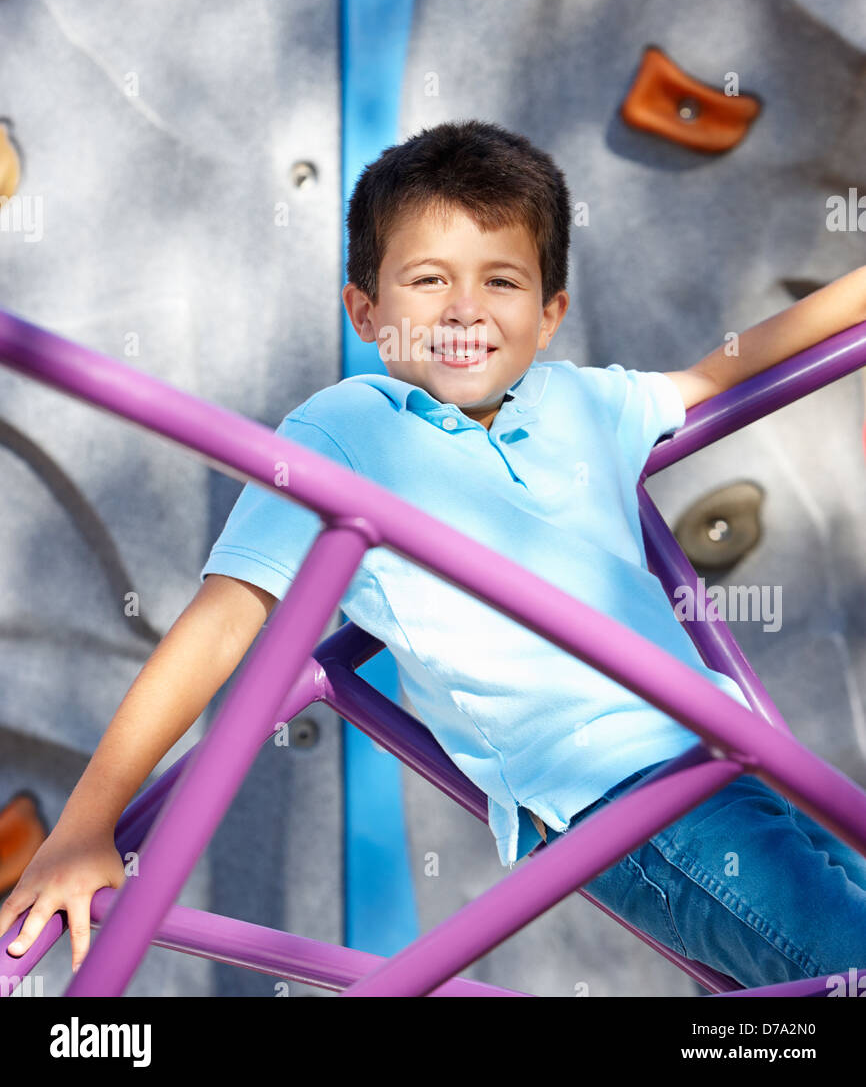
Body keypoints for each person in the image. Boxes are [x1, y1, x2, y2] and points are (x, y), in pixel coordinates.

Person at [3, 118, 866, 990]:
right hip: (623, 803)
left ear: (550, 312)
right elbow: (220, 627)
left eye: (502, 280)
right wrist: (84, 827)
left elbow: (727, 368)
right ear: (365, 311)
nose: (465, 309)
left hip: (738, 756)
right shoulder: (345, 432)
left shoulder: (581, 405)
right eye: (427, 280)